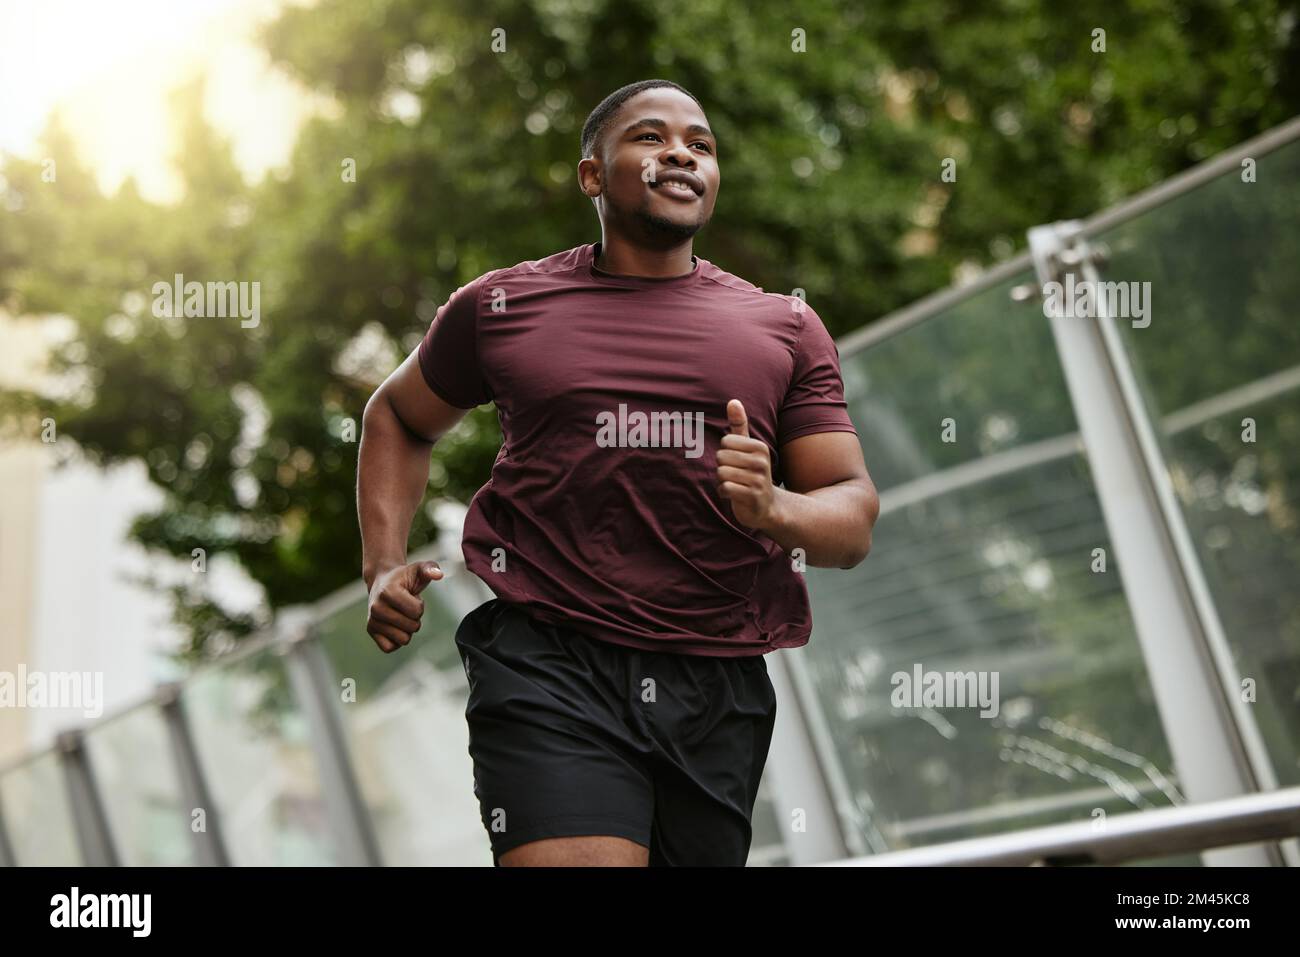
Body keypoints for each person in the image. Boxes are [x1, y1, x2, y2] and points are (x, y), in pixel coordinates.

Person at [357, 78, 879, 866]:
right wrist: (381, 562)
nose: (680, 152)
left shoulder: (786, 327)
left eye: (700, 144)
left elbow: (853, 516)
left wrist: (773, 507)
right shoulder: (501, 307)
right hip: (548, 659)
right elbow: (397, 415)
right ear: (592, 175)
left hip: (716, 682)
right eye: (650, 136)